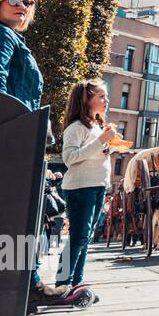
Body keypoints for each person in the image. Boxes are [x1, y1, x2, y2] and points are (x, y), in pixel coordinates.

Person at [0, 0, 76, 306]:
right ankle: (24, 288)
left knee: (14, 219)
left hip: (13, 135)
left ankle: (22, 287)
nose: (22, 5)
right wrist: (8, 136)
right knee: (19, 217)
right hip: (9, 138)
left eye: (28, 1)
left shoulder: (5, 36)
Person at [58, 79, 119, 299]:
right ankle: (62, 283)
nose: (107, 100)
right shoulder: (76, 128)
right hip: (80, 188)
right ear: (87, 100)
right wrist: (100, 141)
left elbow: (91, 154)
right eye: (101, 96)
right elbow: (70, 158)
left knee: (86, 236)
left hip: (96, 187)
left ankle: (76, 282)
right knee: (78, 236)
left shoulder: (96, 126)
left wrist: (106, 148)